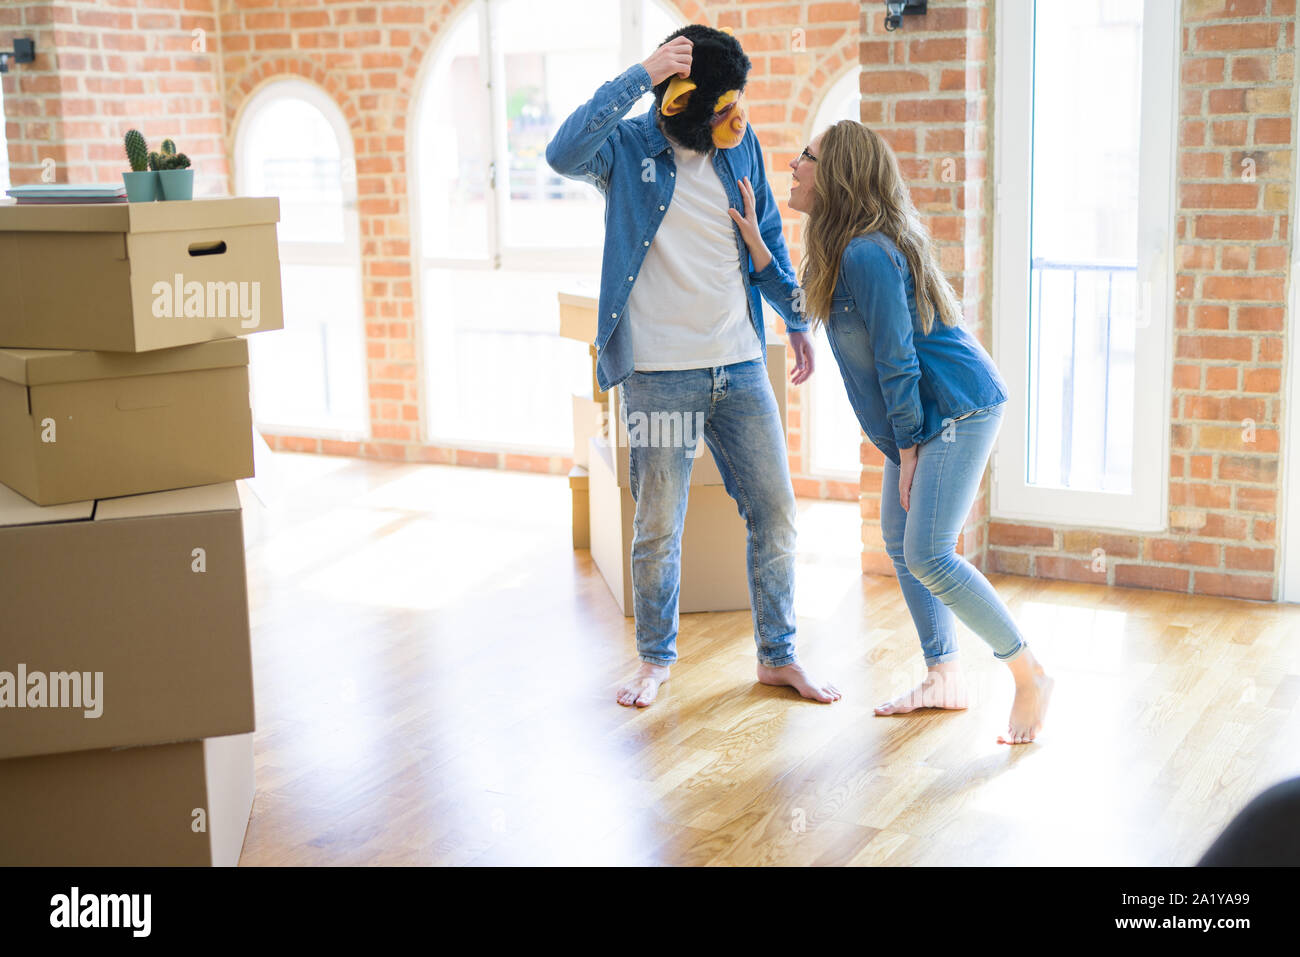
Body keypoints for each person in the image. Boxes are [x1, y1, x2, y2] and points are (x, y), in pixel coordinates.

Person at [545, 27, 840, 708]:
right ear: (677, 97)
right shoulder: (626, 150)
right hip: (659, 374)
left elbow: (766, 232)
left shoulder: (742, 145)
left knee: (776, 514)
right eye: (718, 106)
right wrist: (639, 75)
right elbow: (563, 152)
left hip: (739, 366)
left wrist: (794, 319)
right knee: (657, 524)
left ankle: (778, 655)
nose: (732, 118)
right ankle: (655, 660)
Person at [731, 119, 1051, 743]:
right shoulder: (844, 250)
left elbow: (897, 358)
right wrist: (758, 249)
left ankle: (1028, 672)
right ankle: (944, 676)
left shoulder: (867, 252)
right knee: (904, 540)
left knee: (929, 551)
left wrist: (906, 448)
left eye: (808, 157)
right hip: (927, 413)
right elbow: (804, 307)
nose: (794, 165)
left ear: (839, 174)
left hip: (957, 406)